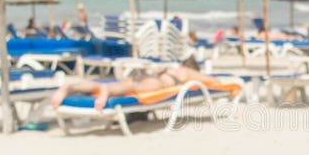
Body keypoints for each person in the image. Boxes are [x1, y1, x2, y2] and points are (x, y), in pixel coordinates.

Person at [50, 64, 218, 111]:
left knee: (113, 85)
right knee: (117, 90)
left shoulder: (169, 66)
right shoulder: (186, 72)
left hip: (142, 75)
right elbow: (210, 80)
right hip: (157, 83)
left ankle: (70, 87)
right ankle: (107, 92)